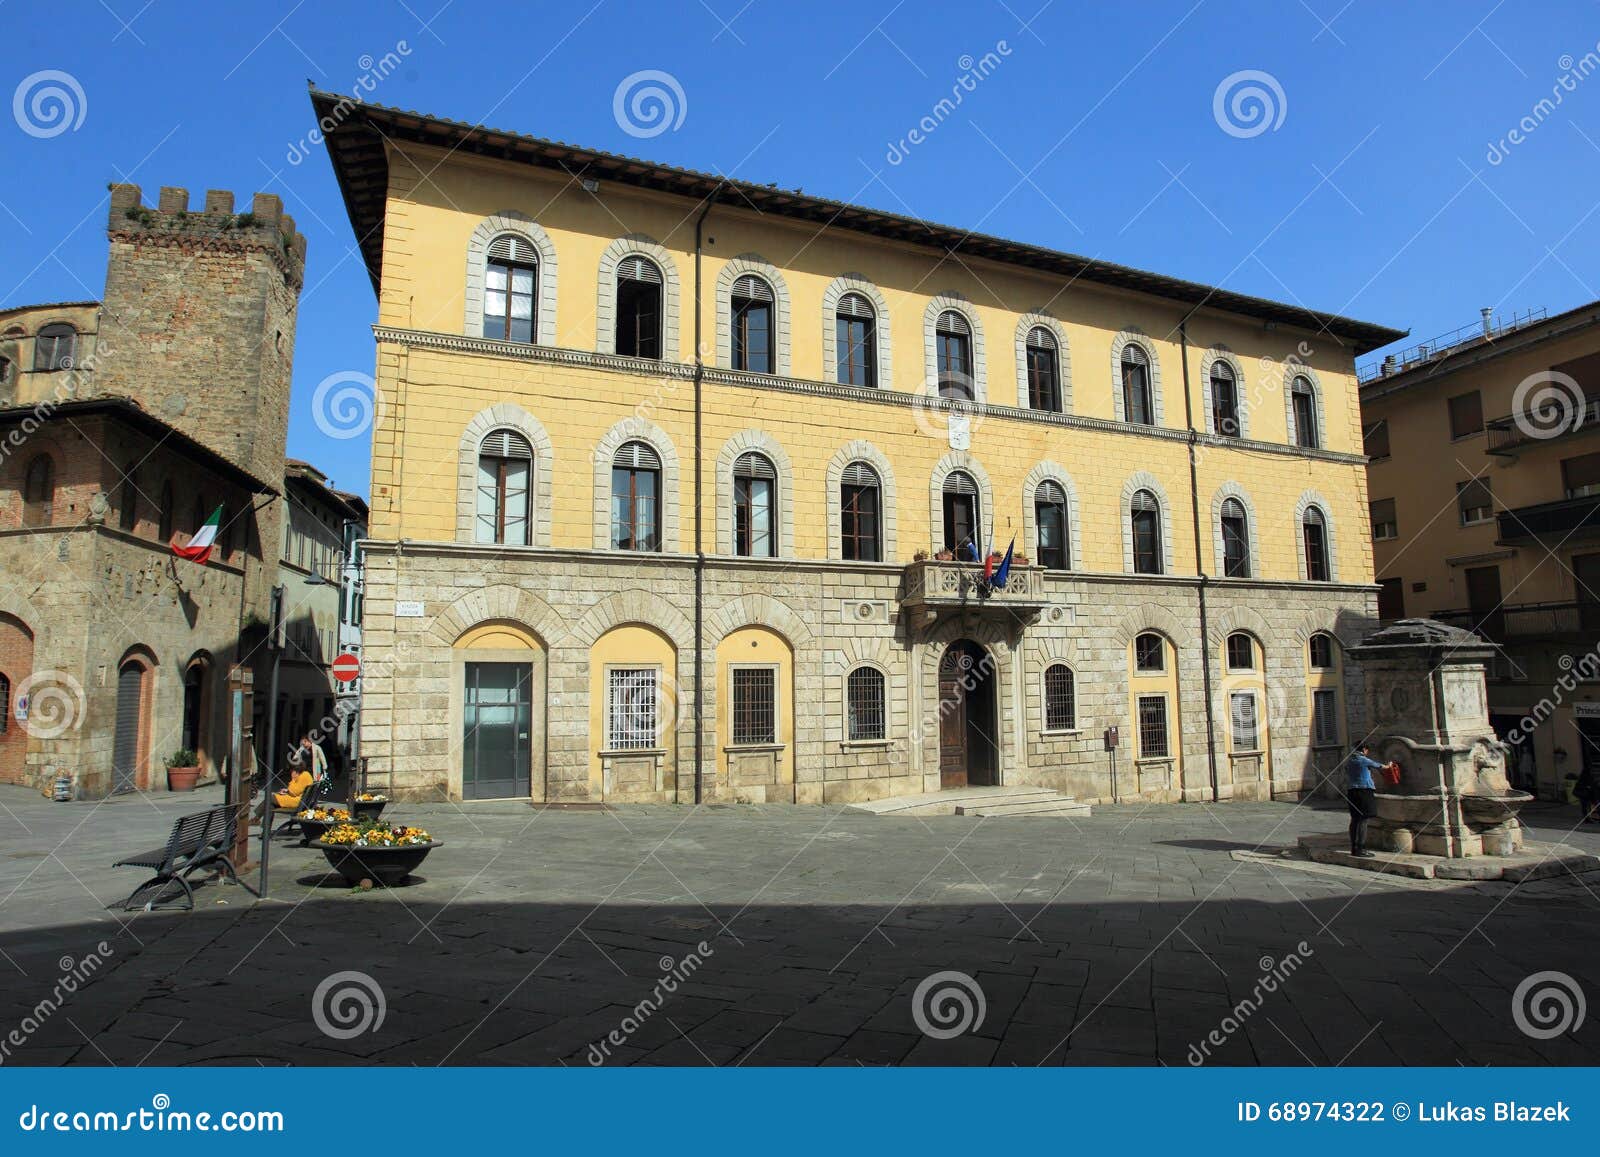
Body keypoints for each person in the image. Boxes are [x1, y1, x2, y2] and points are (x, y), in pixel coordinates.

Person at [1345, 742, 1385, 857]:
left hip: (1352, 791)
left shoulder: (1349, 760)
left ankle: (1353, 847)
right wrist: (1390, 765)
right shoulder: (1363, 760)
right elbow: (1380, 766)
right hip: (1364, 791)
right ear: (1364, 749)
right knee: (1364, 819)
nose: (1367, 752)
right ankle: (1361, 848)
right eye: (1367, 750)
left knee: (1354, 819)